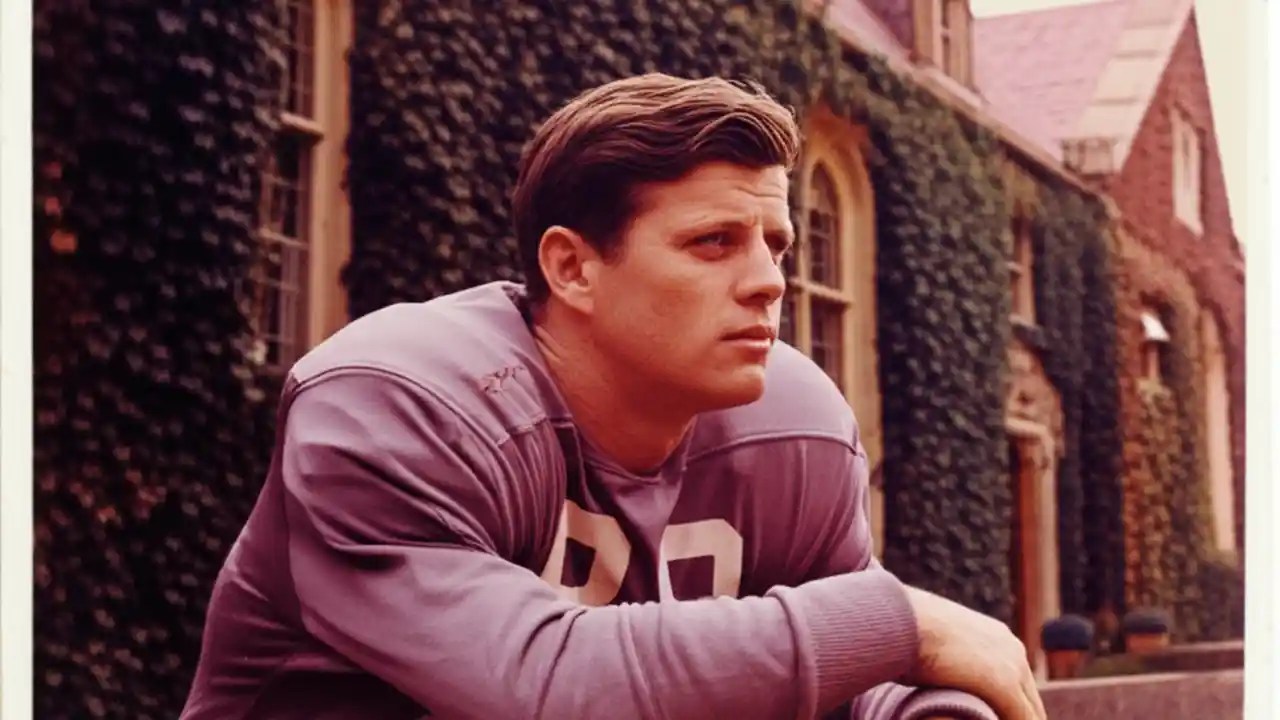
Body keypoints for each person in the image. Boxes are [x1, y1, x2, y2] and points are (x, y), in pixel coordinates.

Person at [180, 73, 1046, 720]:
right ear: (573, 267)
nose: (767, 283)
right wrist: (896, 621)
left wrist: (920, 708)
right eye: (713, 242)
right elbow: (545, 683)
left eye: (776, 246)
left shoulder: (797, 430)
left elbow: (839, 680)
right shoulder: (399, 405)